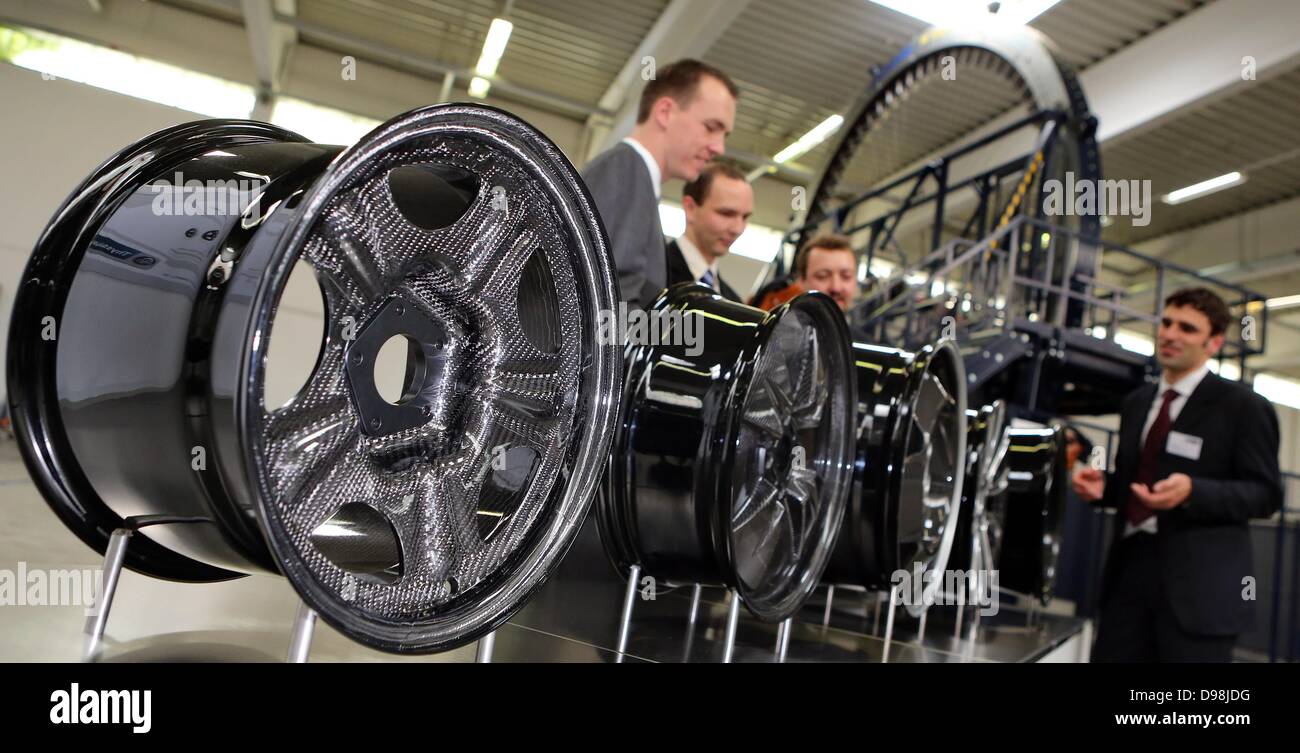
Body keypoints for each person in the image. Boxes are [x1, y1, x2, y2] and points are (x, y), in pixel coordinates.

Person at [1072, 287, 1282, 662]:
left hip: (1200, 590)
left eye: (1187, 328)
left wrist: (1192, 491)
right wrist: (1104, 488)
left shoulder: (1243, 407)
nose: (1170, 334)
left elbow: (1265, 494)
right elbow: (1135, 478)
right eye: (1166, 323)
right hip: (1128, 575)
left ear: (1213, 343)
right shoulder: (1137, 403)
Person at [581, 59, 738, 309]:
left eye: (724, 135)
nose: (719, 147)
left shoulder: (634, 176)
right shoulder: (626, 173)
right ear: (665, 113)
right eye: (711, 128)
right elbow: (607, 304)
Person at [665, 160, 751, 302]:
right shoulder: (650, 276)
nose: (738, 228)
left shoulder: (733, 302)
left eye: (745, 217)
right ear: (690, 208)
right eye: (726, 213)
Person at [755, 232, 859, 311]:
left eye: (846, 276)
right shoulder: (775, 334)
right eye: (822, 276)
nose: (836, 287)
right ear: (801, 281)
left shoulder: (863, 340)